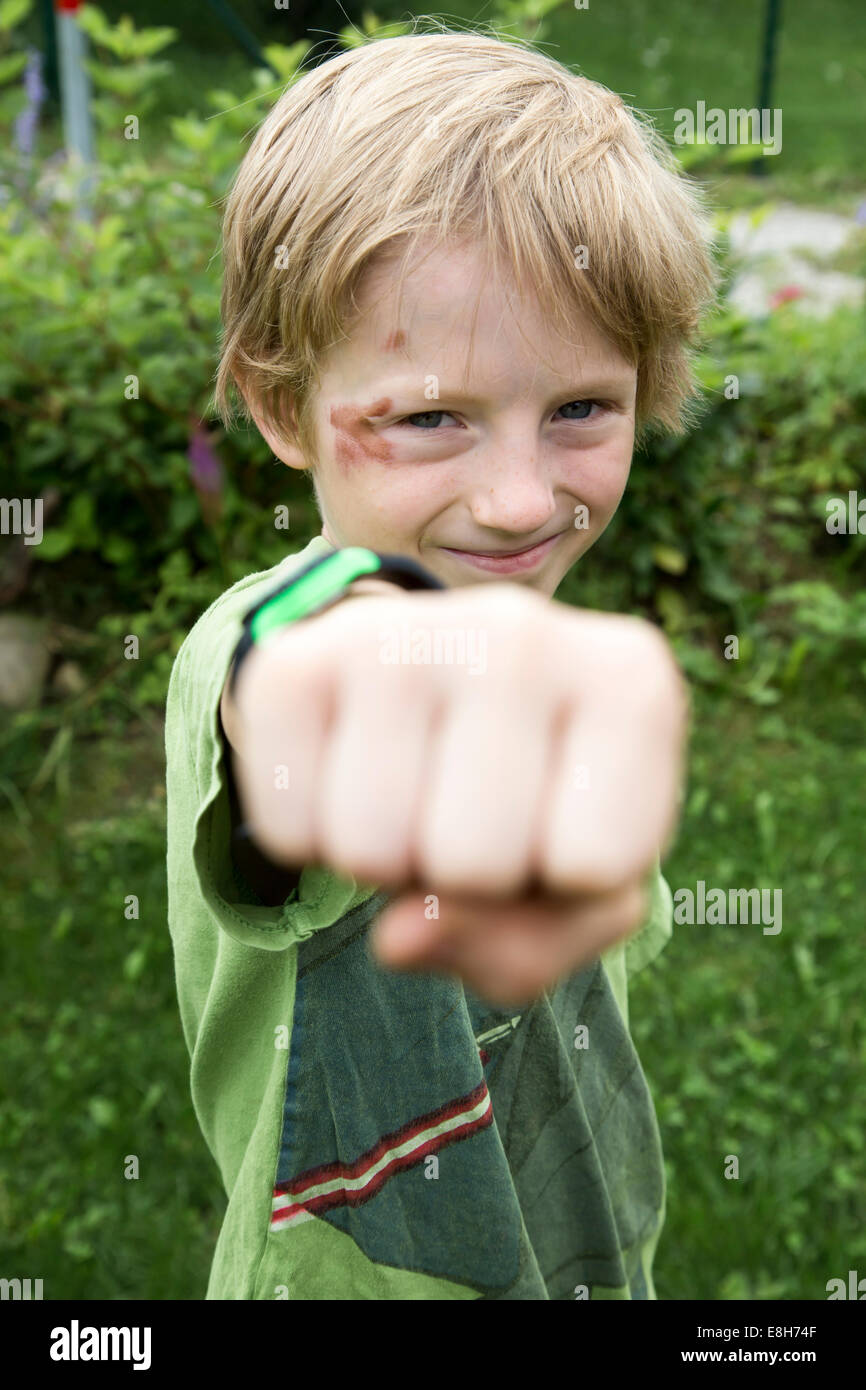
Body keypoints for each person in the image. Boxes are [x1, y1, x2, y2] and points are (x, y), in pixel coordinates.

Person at [165, 27, 718, 1299]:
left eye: (579, 408)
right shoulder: (252, 649)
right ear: (278, 402)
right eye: (429, 417)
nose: (520, 499)